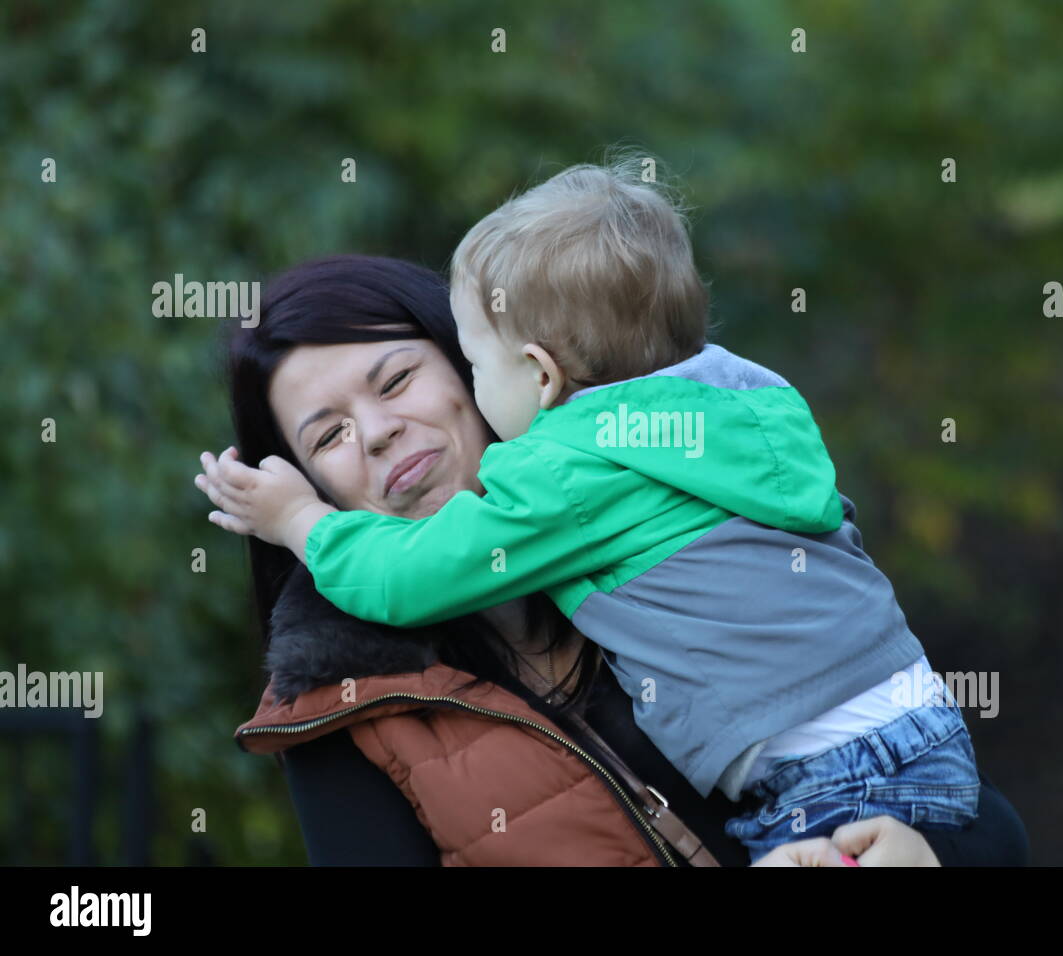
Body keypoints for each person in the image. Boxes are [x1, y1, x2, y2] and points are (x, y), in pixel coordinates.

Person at [200, 159, 981, 862]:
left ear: (520, 371)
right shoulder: (738, 407)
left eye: (398, 380)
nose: (375, 434)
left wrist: (301, 522)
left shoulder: (578, 492)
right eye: (329, 434)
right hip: (922, 733)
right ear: (307, 472)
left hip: (845, 791)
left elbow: (995, 837)